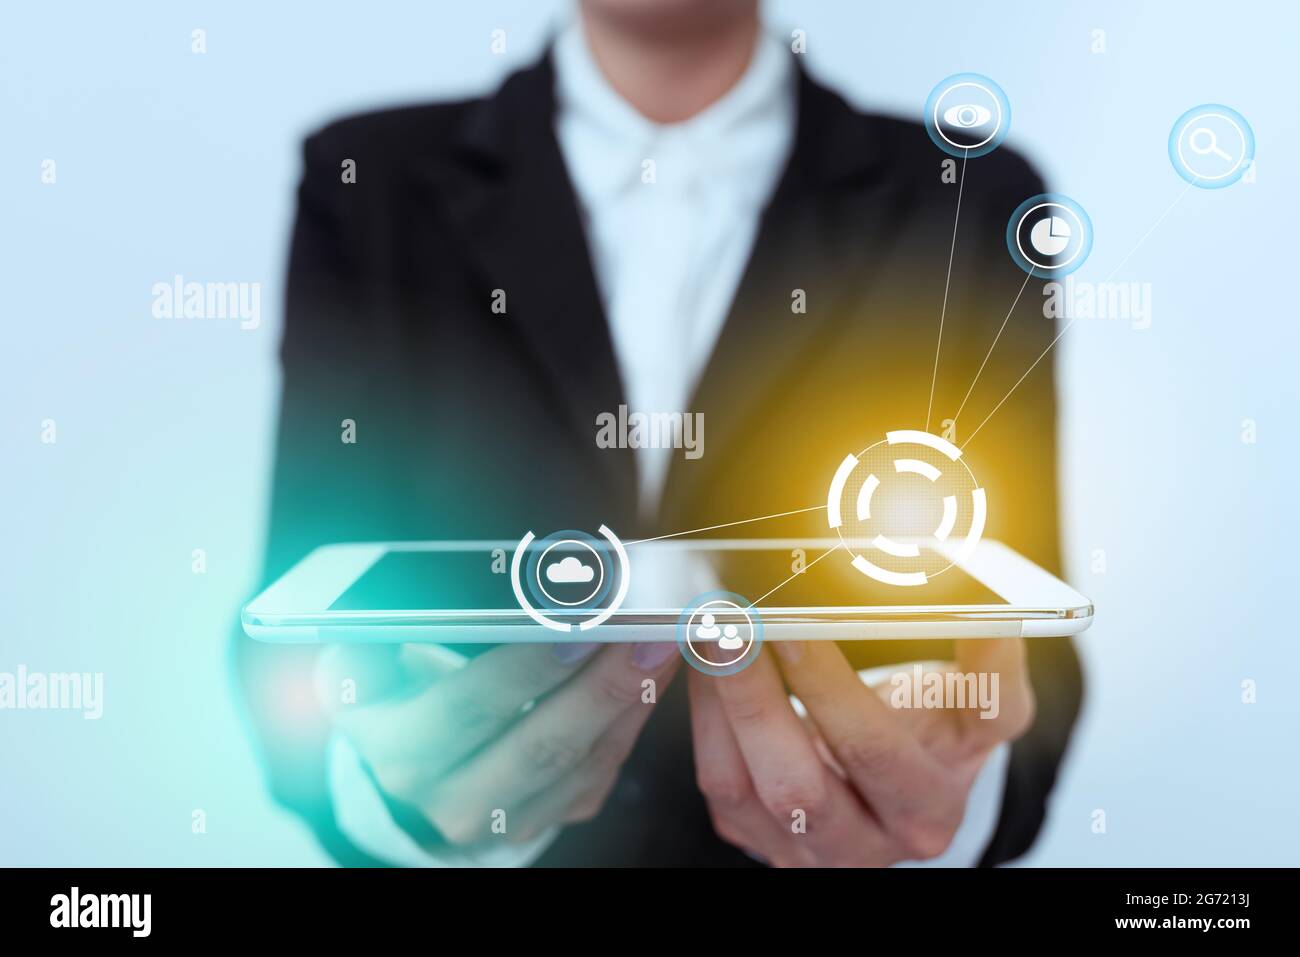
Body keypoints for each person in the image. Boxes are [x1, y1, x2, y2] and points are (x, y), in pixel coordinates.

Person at [236, 0, 1081, 867]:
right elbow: (298, 618)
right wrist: (398, 807)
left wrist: (945, 804)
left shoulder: (969, 194)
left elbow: (1028, 651)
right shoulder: (365, 180)